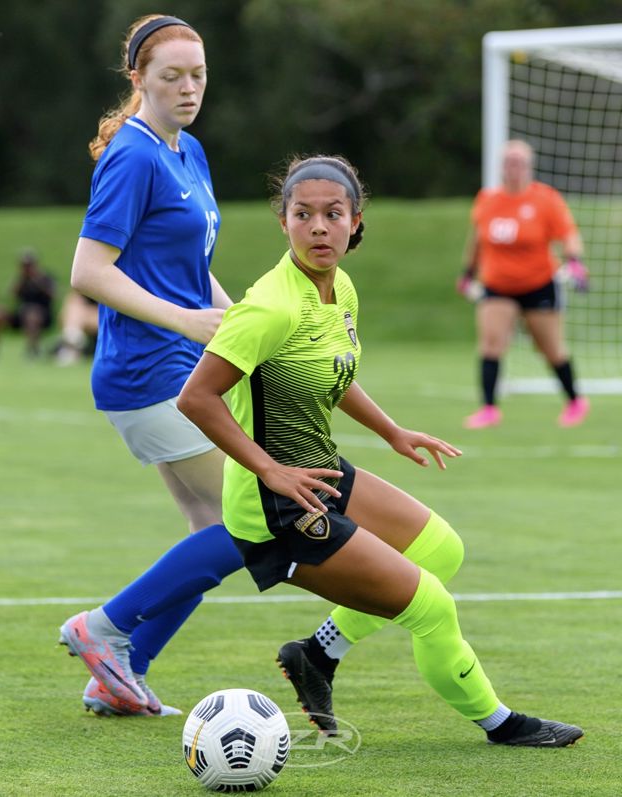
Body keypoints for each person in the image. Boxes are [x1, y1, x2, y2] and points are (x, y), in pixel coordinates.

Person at [176, 154, 583, 747]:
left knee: (441, 550)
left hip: (317, 470)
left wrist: (393, 430)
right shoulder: (269, 305)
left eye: (332, 214)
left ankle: (316, 656)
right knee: (432, 607)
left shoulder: (338, 287)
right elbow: (198, 398)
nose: (319, 227)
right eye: (303, 214)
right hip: (276, 504)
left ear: (355, 221)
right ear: (283, 223)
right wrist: (269, 470)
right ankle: (501, 724)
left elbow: (331, 369)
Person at [58, 13, 245, 717]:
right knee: (251, 521)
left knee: (211, 536)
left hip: (180, 363)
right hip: (148, 371)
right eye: (172, 76)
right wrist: (189, 323)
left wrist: (243, 327)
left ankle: (116, 675)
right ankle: (102, 629)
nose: (189, 87)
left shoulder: (186, 149)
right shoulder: (133, 155)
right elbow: (88, 270)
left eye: (198, 74)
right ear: (137, 80)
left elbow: (191, 273)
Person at [457, 139, 590, 429]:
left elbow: (568, 234)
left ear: (529, 167)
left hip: (538, 284)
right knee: (491, 344)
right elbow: (478, 239)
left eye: (519, 163)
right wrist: (468, 272)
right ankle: (489, 408)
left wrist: (575, 260)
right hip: (497, 285)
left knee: (550, 349)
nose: (513, 168)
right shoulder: (488, 200)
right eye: (508, 162)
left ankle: (575, 401)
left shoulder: (546, 199)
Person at [0, 248, 56, 357]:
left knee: (32, 314)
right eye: (24, 265)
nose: (27, 268)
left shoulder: (46, 278)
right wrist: (22, 280)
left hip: (43, 316)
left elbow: (53, 295)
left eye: (29, 265)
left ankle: (33, 351)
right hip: (22, 315)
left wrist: (37, 281)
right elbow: (12, 294)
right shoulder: (21, 279)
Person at [52, 289, 99, 365]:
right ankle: (71, 345)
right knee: (74, 308)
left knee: (76, 312)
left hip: (108, 318)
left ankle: (70, 347)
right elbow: (62, 317)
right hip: (83, 320)